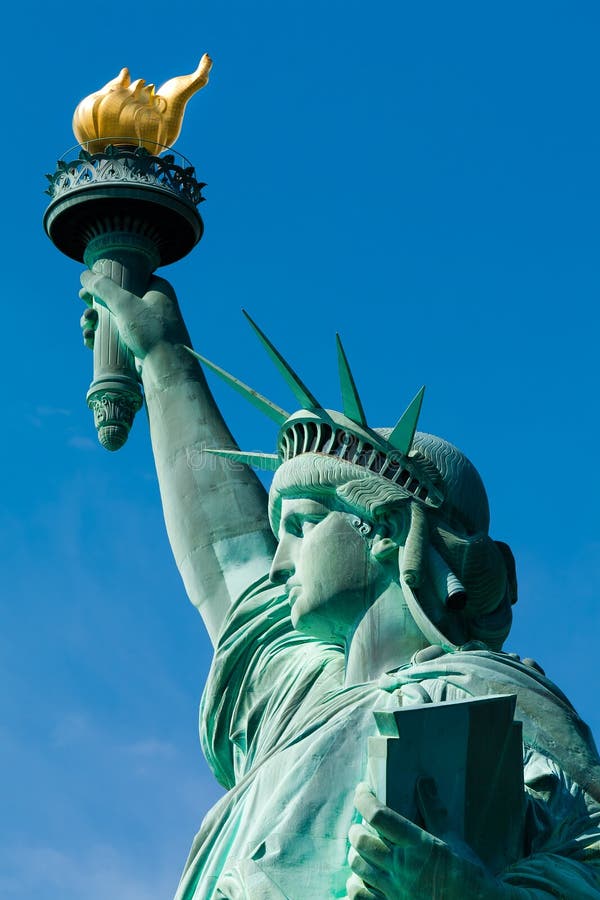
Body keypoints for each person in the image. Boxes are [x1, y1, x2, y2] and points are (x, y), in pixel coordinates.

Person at [80, 270, 600, 899]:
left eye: (300, 525)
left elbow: (589, 867)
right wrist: (162, 360)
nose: (279, 562)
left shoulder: (487, 696)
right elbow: (230, 559)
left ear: (383, 527)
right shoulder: (300, 704)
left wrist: (468, 894)